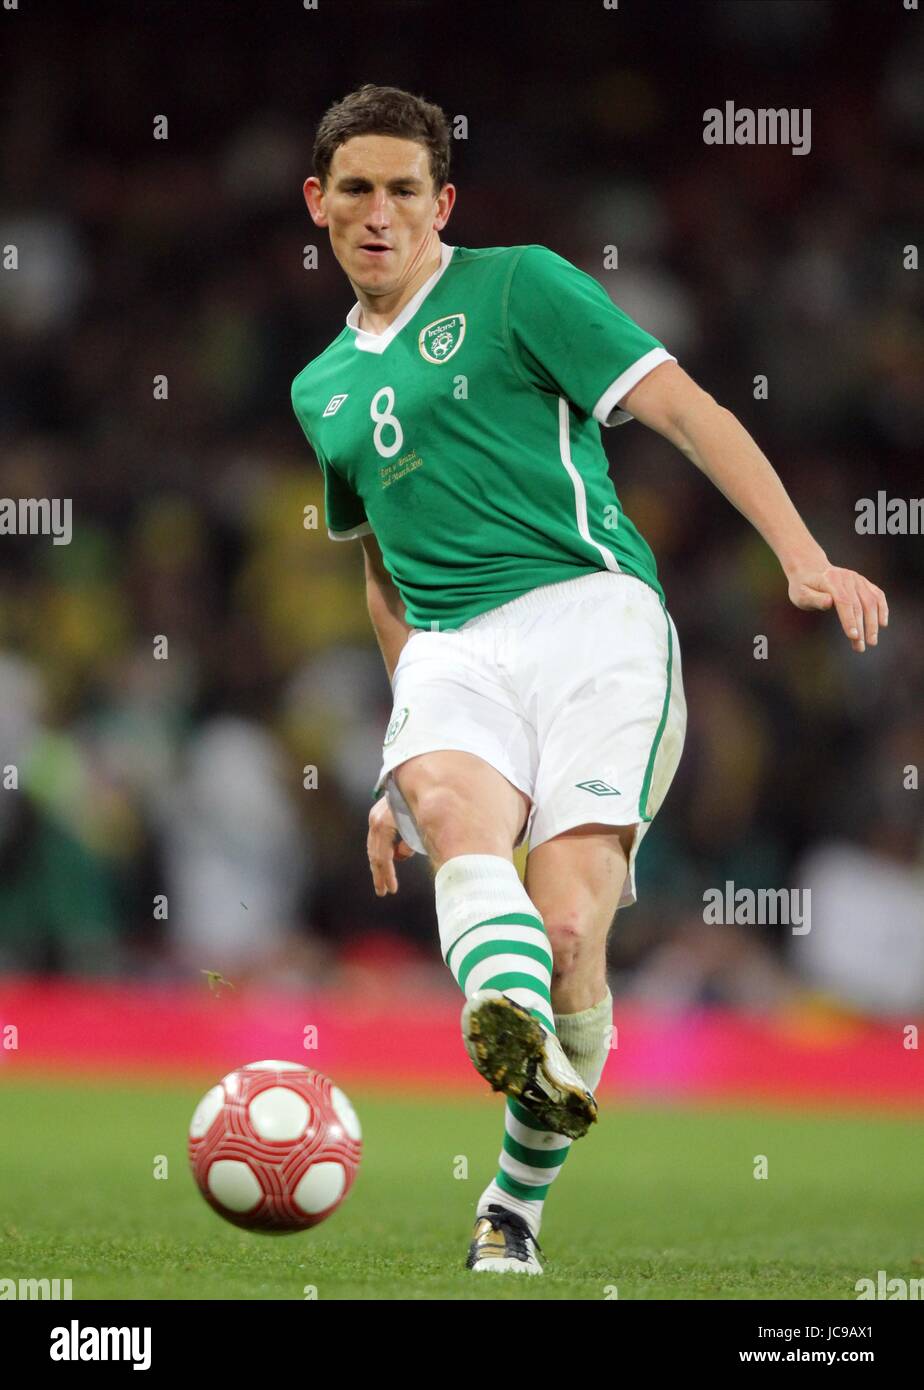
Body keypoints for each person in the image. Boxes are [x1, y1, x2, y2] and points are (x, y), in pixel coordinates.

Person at [291, 83, 888, 1275]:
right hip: (452, 648)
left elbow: (683, 408)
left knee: (568, 926)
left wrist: (801, 551)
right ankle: (503, 1022)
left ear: (440, 201)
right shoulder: (320, 390)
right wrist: (399, 757)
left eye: (404, 189)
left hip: (591, 616)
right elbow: (384, 576)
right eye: (354, 188)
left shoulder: (520, 285)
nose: (378, 212)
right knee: (457, 814)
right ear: (317, 202)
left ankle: (512, 1201)